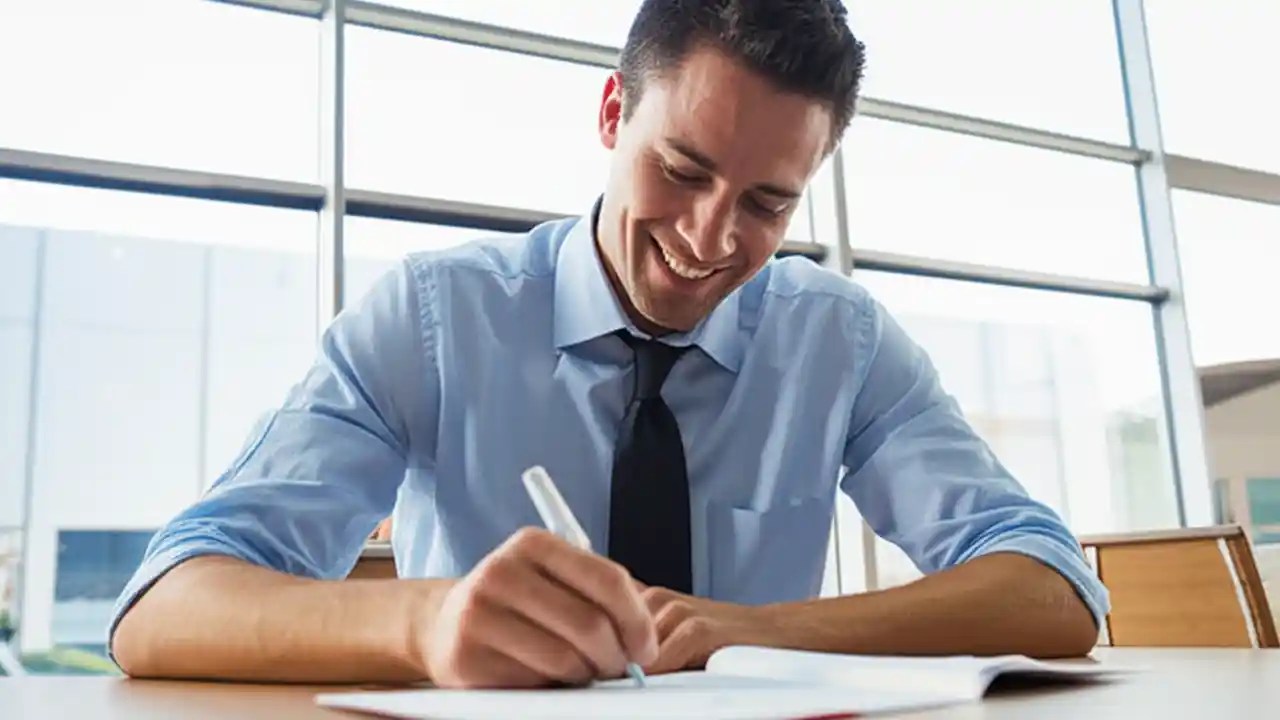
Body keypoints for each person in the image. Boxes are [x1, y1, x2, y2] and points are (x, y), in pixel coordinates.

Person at [110, 0, 1106, 688]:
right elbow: (163, 609)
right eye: (681, 170)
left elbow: (1052, 590)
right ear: (610, 113)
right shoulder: (432, 317)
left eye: (765, 204)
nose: (709, 239)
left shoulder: (837, 340)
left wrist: (745, 634)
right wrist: (425, 622)